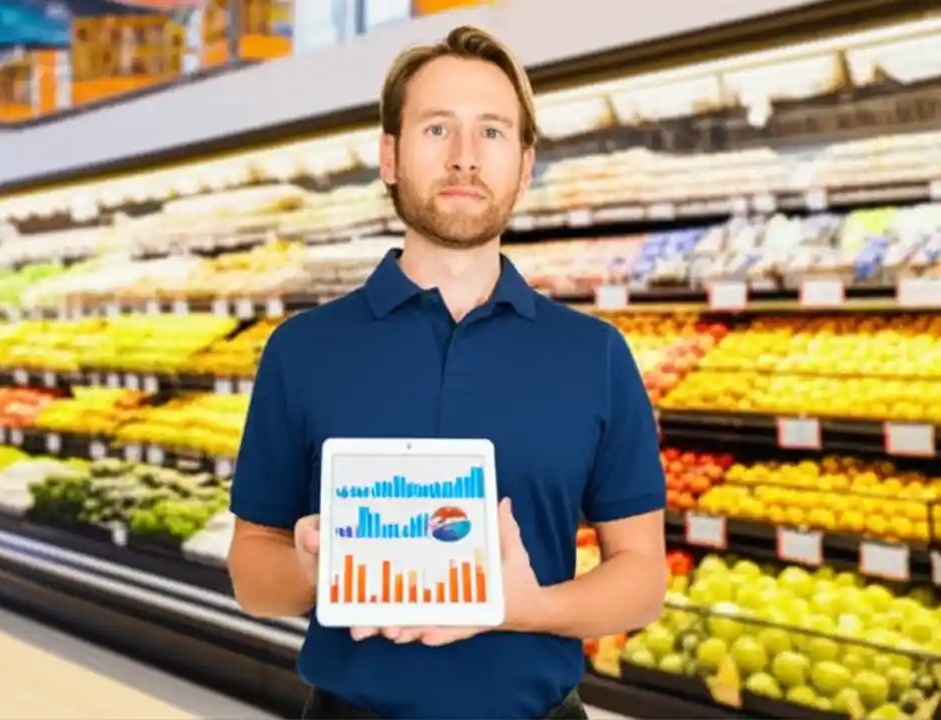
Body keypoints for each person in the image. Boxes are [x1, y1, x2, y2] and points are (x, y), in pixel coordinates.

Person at [227, 25, 668, 720]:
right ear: (390, 156)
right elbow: (253, 571)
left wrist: (529, 609)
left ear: (524, 166)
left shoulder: (595, 354)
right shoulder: (303, 349)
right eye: (437, 129)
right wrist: (320, 569)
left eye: (492, 133)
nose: (465, 158)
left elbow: (642, 578)